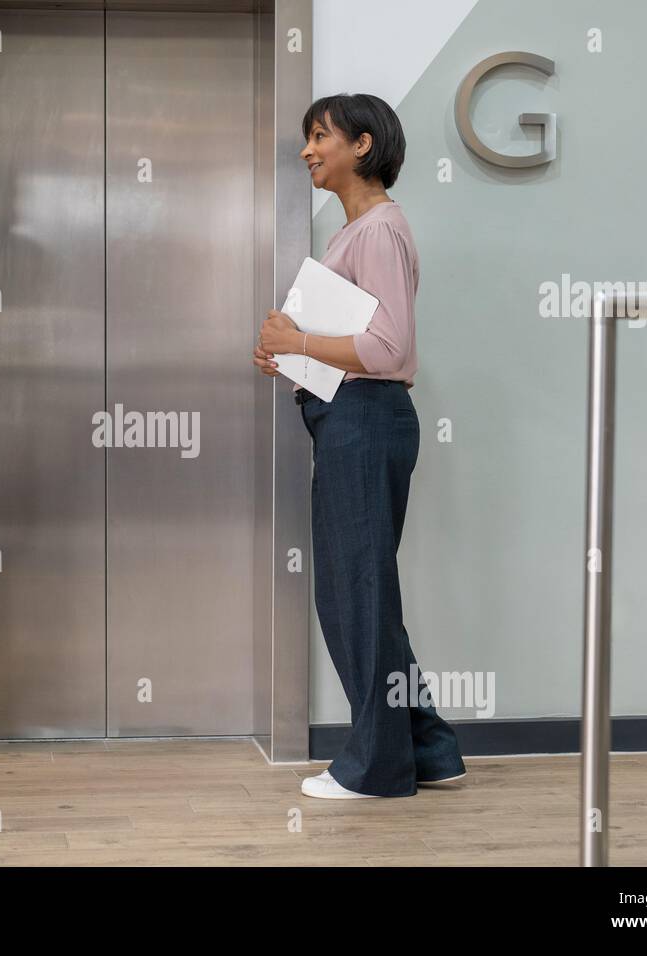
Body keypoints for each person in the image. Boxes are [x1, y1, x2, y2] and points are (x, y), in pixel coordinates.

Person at [254, 93, 467, 799]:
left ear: (363, 145)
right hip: (355, 419)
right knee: (366, 590)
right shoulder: (359, 232)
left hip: (365, 421)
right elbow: (358, 343)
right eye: (307, 139)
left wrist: (300, 342)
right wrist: (293, 357)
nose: (308, 150)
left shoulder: (376, 230)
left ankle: (377, 767)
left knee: (356, 593)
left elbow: (387, 346)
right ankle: (427, 749)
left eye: (320, 137)